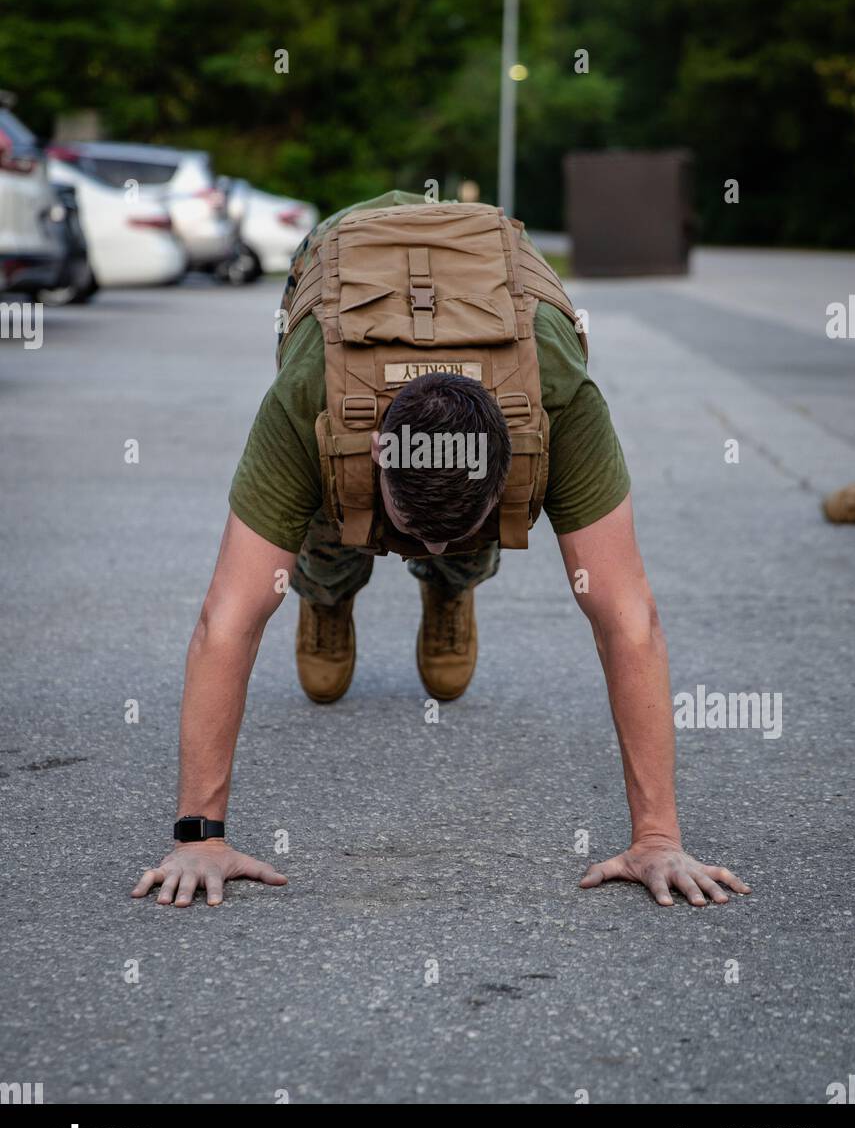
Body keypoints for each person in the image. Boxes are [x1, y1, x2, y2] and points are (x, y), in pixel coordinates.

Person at [132, 191, 750, 910]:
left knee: (456, 546)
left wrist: (658, 838)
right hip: (344, 293)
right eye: (410, 519)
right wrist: (199, 836)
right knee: (329, 532)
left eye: (457, 524)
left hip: (500, 338)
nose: (418, 541)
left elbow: (628, 615)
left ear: (516, 459)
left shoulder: (558, 398)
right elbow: (227, 619)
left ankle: (452, 582)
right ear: (374, 451)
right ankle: (330, 594)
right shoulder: (311, 394)